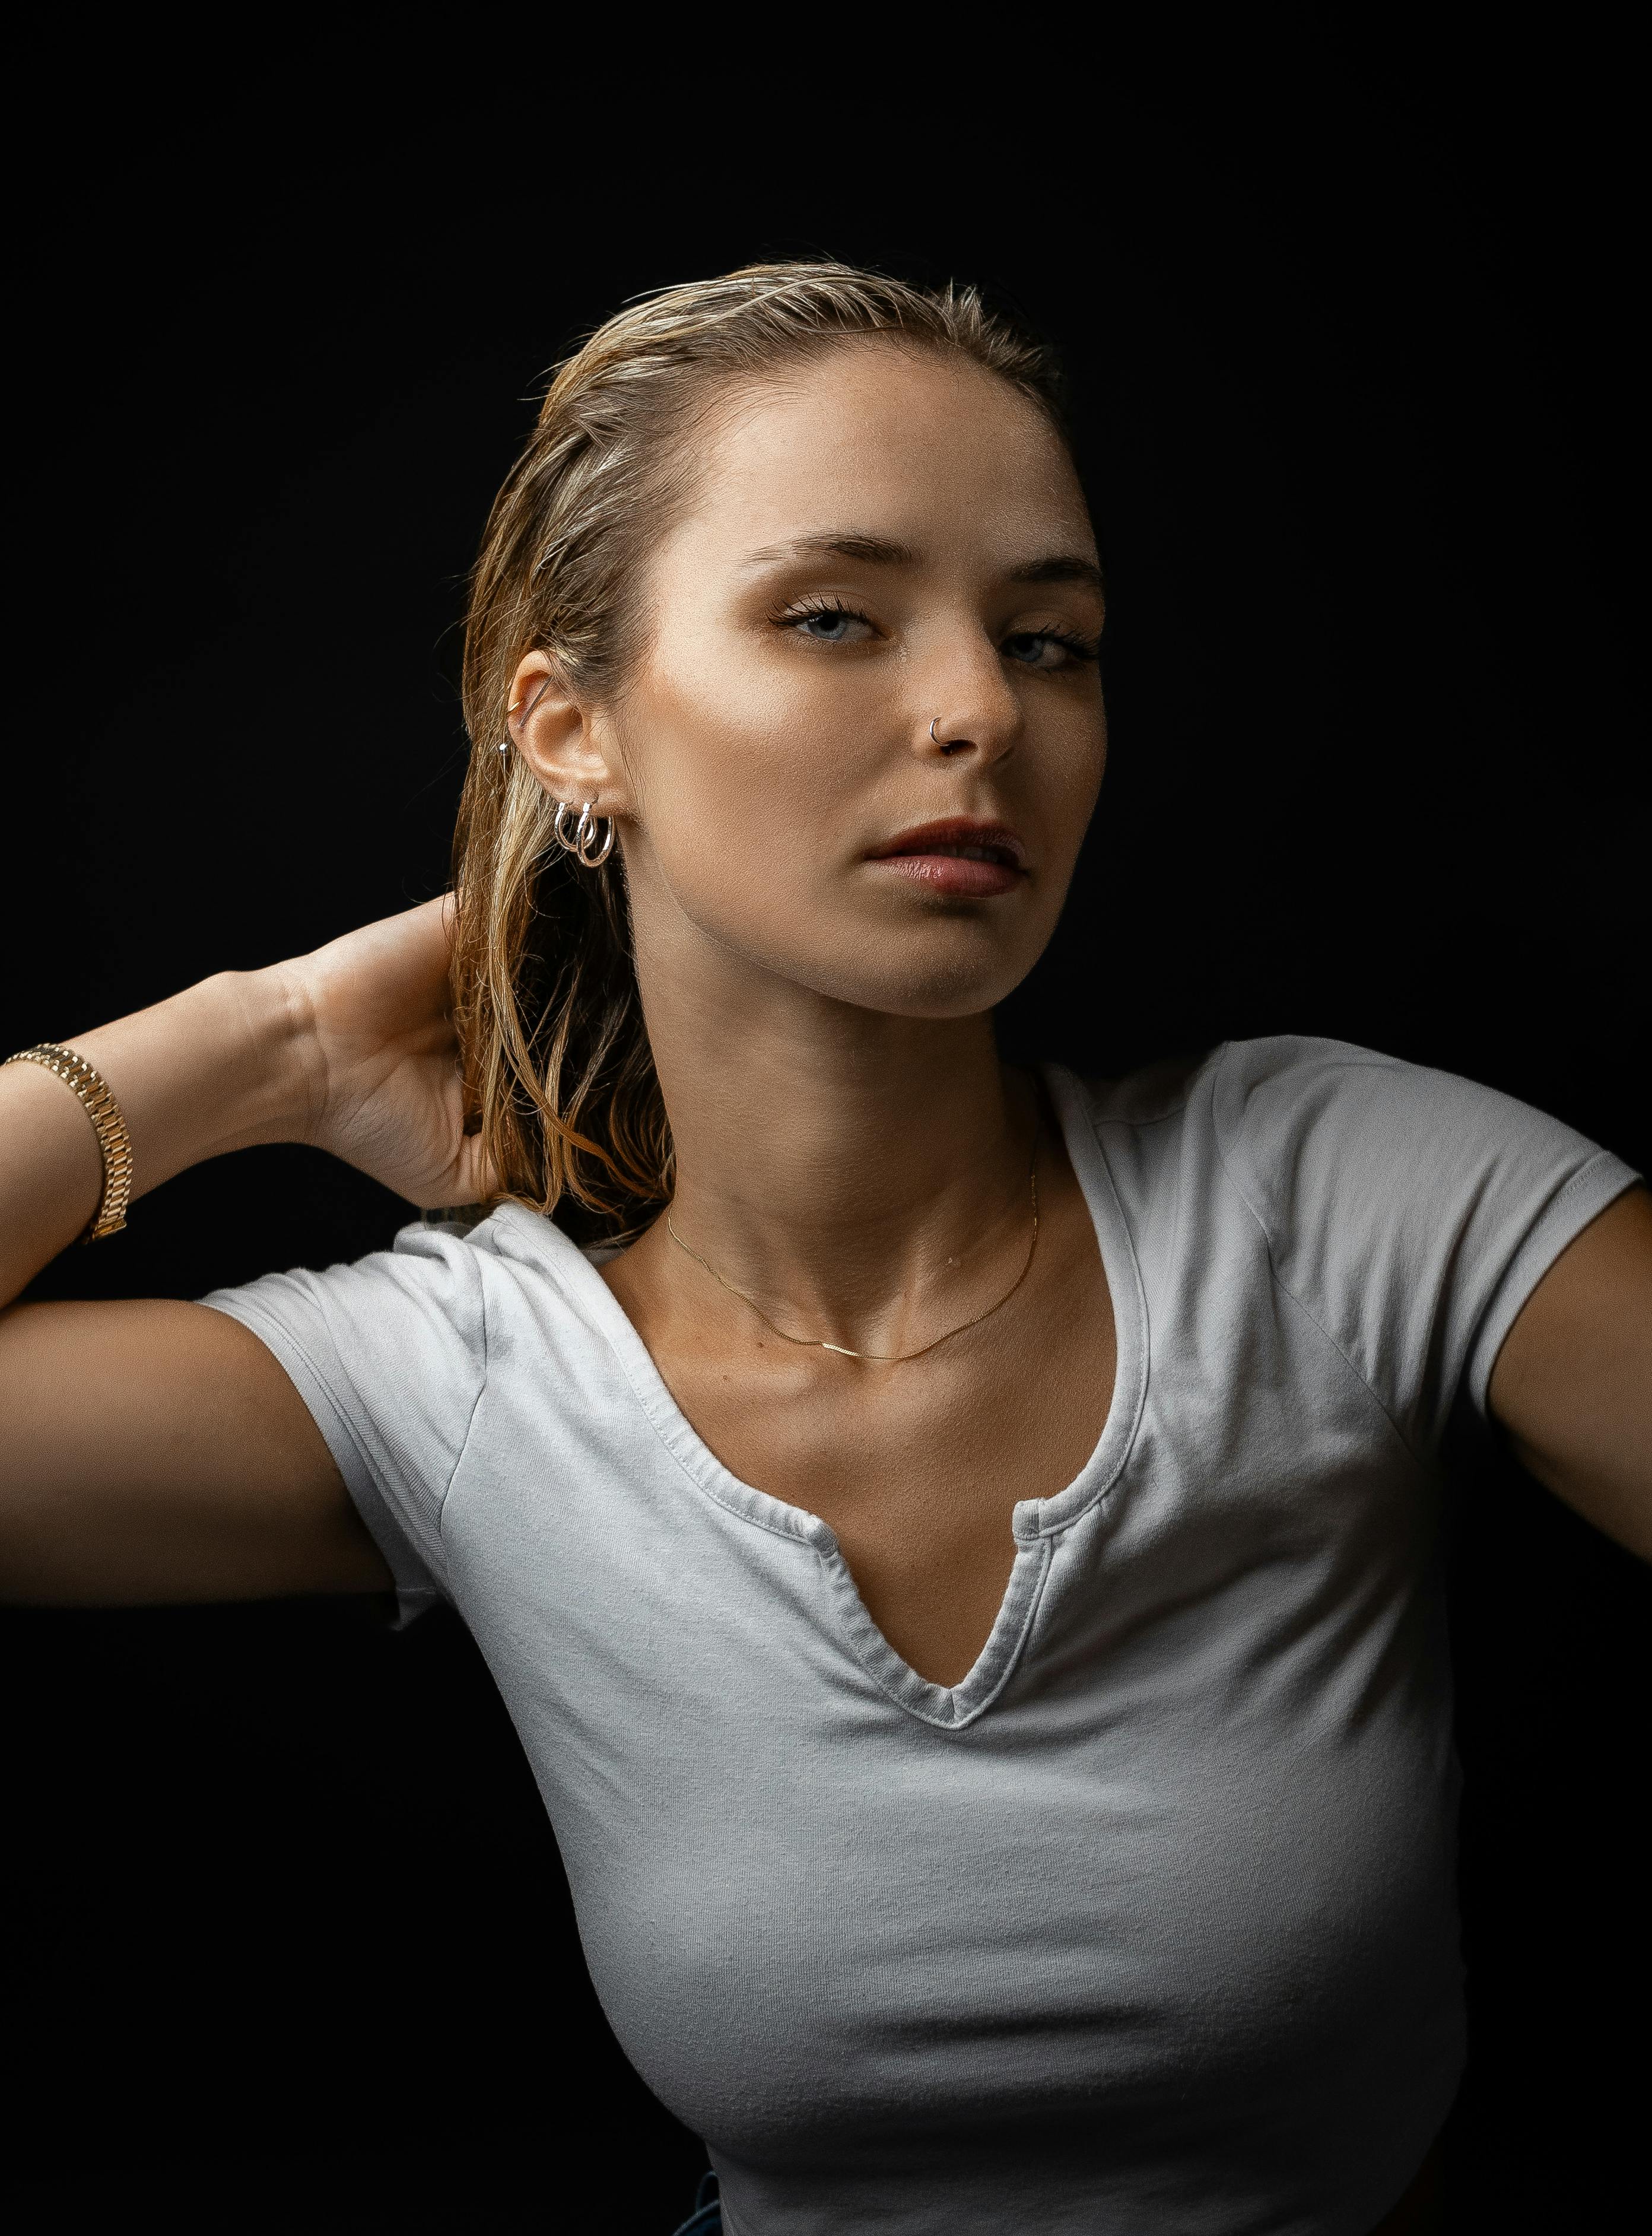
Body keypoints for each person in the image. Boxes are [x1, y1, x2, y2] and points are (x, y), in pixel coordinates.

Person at [2, 263, 1647, 2236]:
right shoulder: (472, 1385)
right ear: (572, 725)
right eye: (835, 618)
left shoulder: (1352, 1200)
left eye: (1053, 641)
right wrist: (243, 1048)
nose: (978, 711)